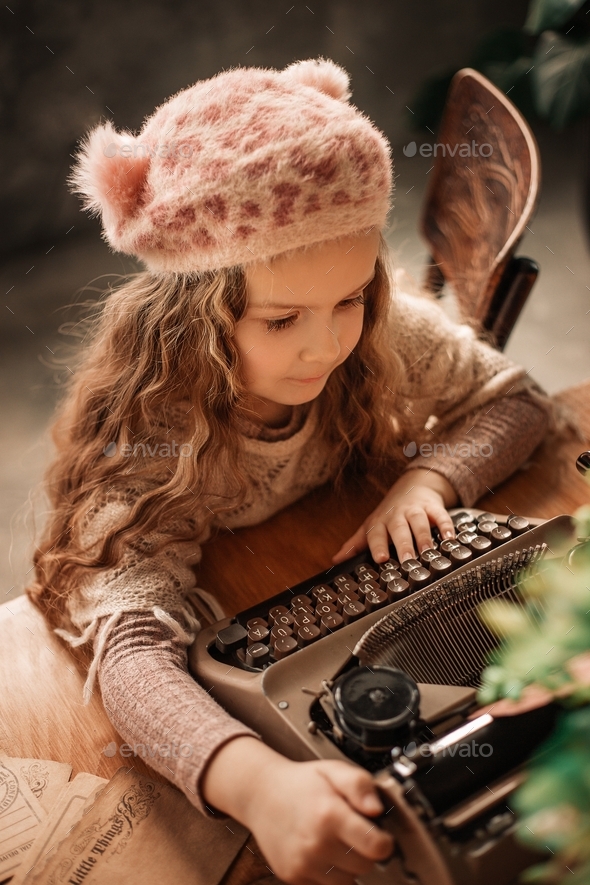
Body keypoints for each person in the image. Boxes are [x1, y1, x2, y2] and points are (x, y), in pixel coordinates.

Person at [28, 57, 553, 885]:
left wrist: (432, 479)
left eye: (350, 299)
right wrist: (260, 785)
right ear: (192, 317)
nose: (326, 345)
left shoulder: (378, 331)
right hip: (235, 587)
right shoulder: (150, 427)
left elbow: (517, 404)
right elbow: (129, 643)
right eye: (281, 319)